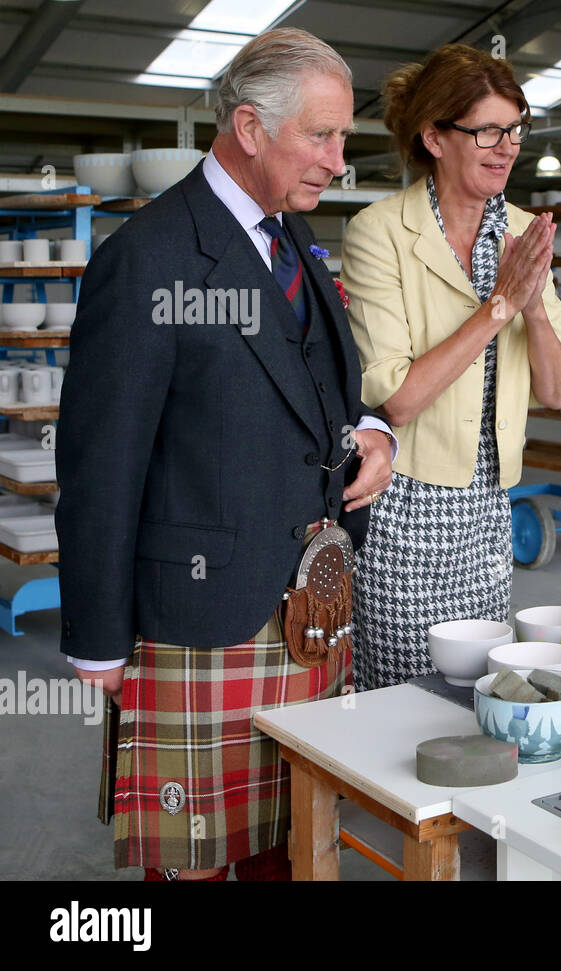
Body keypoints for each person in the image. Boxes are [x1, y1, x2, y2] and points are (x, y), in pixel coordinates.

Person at [57, 28, 395, 881]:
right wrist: (97, 637)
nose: (339, 159)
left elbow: (327, 382)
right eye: (320, 136)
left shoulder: (296, 249)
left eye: (344, 137)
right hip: (200, 622)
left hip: (310, 614)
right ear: (248, 127)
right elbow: (100, 463)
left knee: (293, 846)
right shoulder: (147, 259)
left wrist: (375, 432)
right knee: (196, 866)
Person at [340, 44, 561, 691]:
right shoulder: (379, 232)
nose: (507, 147)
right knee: (402, 697)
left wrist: (531, 308)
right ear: (435, 137)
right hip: (406, 508)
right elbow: (396, 398)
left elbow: (558, 391)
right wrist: (500, 304)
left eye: (516, 130)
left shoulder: (525, 233)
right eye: (488, 131)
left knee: (476, 692)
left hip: (487, 509)